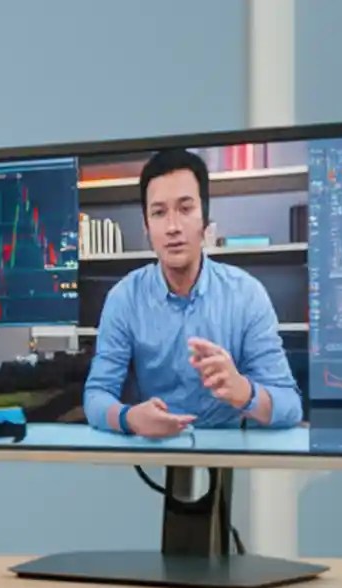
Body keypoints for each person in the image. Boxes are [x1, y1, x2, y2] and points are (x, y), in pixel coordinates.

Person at [83, 148, 302, 438]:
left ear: (205, 222)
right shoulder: (124, 298)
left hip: (231, 453)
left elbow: (290, 406)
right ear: (146, 227)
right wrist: (129, 418)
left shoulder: (247, 295)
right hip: (155, 448)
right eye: (159, 213)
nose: (173, 227)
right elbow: (96, 396)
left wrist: (243, 392)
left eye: (185, 209)